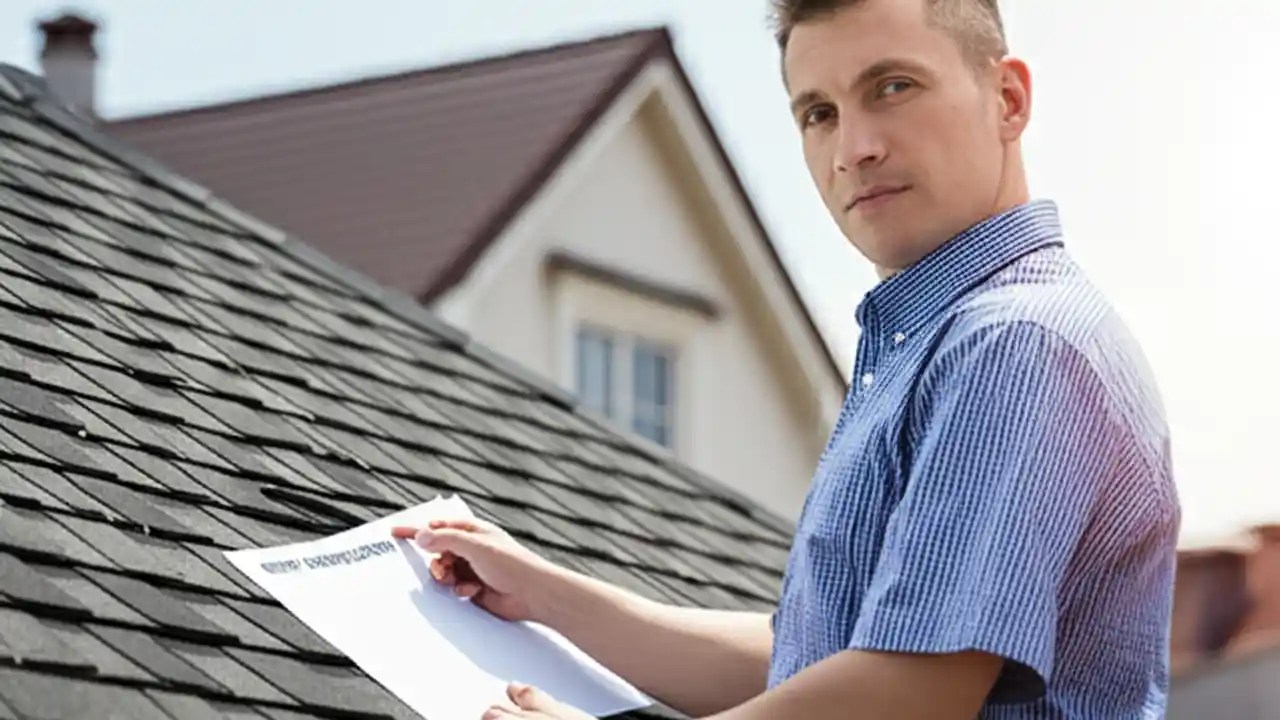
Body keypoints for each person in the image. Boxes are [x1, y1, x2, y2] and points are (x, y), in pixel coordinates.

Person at [392, 0, 1181, 717]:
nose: (855, 149)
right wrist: (545, 595)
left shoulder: (1015, 344)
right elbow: (821, 667)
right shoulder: (940, 341)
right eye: (818, 113)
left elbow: (912, 692)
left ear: (1007, 99)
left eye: (894, 87)